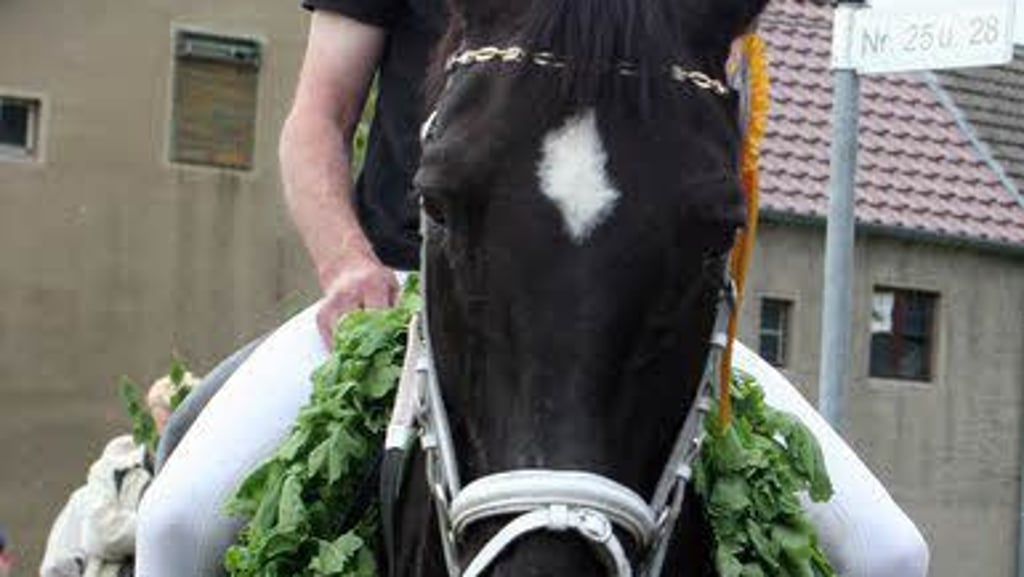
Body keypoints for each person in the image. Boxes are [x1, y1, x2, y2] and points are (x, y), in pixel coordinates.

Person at [136, 2, 930, 577]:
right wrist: (347, 265)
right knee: (178, 524)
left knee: (890, 553)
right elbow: (316, 117)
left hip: (632, 320)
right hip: (415, 291)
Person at [40, 374, 196, 577]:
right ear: (150, 419)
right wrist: (169, 533)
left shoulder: (203, 475)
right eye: (165, 423)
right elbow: (100, 535)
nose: (171, 435)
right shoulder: (114, 471)